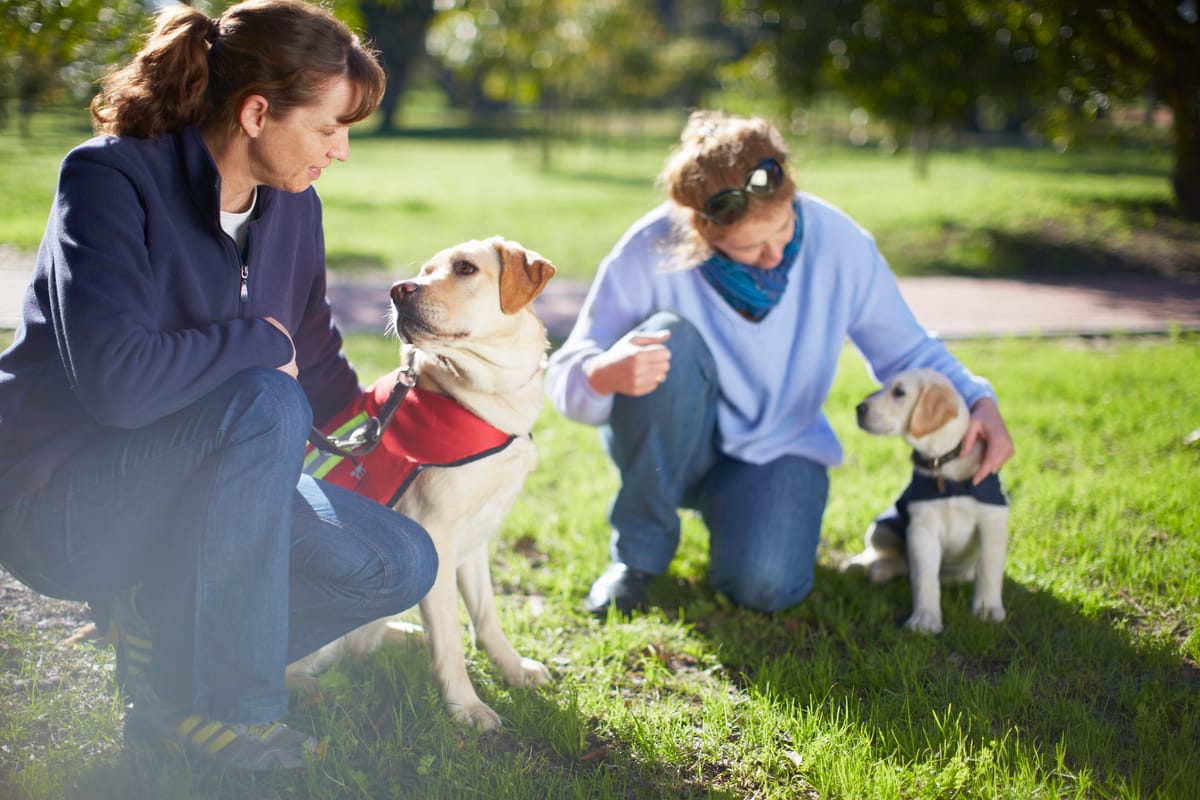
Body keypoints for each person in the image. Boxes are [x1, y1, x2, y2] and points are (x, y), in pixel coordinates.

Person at [0, 0, 438, 770]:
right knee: (265, 397)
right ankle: (224, 709)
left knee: (397, 562)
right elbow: (120, 388)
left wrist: (415, 407)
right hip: (63, 498)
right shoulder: (107, 180)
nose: (340, 152)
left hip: (204, 488)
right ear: (258, 112)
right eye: (330, 127)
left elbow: (317, 359)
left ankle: (166, 650)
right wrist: (254, 345)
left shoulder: (294, 207)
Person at [545, 110, 1014, 620]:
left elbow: (907, 352)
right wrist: (603, 373)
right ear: (702, 230)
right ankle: (635, 561)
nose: (775, 255)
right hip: (674, 445)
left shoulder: (840, 243)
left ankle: (740, 523)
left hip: (779, 449)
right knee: (668, 339)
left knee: (768, 585)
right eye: (750, 247)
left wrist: (977, 398)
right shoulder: (650, 248)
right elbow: (570, 364)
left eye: (785, 229)